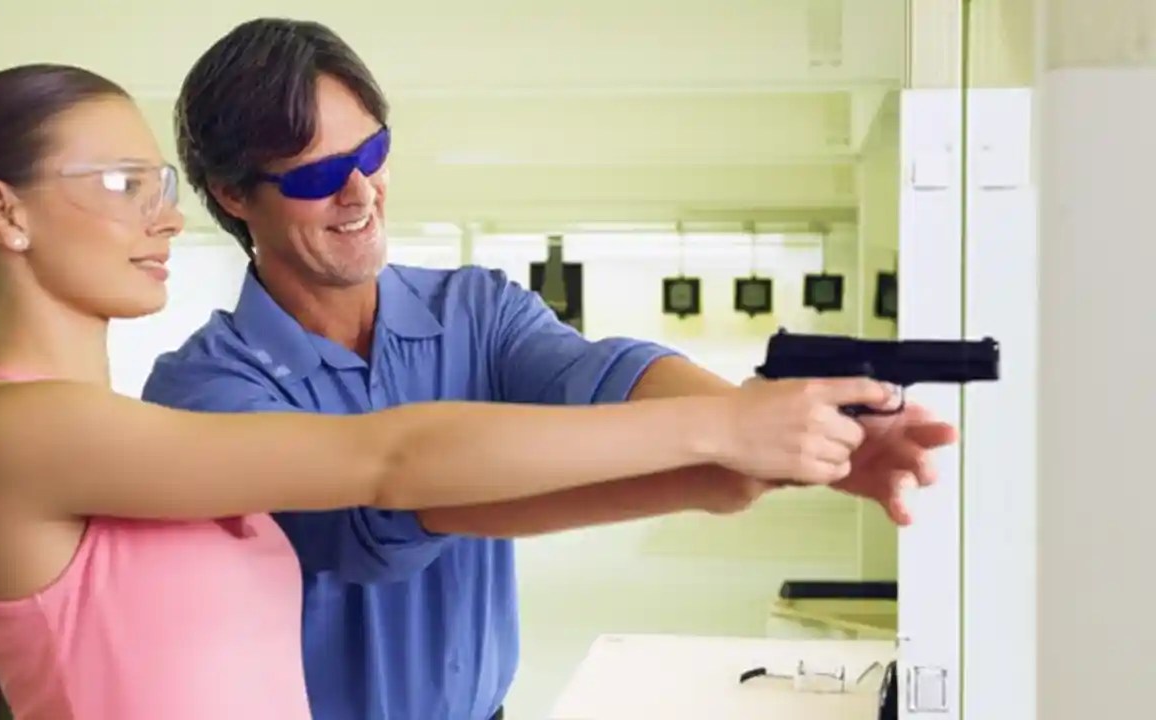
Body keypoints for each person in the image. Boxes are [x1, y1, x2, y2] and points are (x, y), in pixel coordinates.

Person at [0, 63, 896, 720]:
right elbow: (386, 466)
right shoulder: (18, 435)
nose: (166, 219)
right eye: (126, 183)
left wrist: (712, 474)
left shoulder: (118, 436)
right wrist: (723, 423)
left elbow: (468, 461)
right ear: (2, 211)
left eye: (162, 182)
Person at [143, 17, 959, 720]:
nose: (361, 192)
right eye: (318, 176)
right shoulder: (204, 393)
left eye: (374, 151)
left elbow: (603, 376)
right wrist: (726, 436)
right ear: (234, 196)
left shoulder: (476, 307)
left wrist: (774, 442)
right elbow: (377, 524)